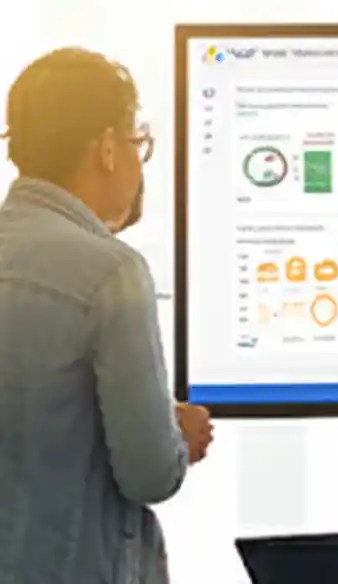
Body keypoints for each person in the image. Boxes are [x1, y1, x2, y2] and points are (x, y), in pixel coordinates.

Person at [0, 48, 214, 584]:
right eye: (141, 145)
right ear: (109, 149)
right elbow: (149, 473)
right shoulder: (112, 273)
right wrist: (175, 435)